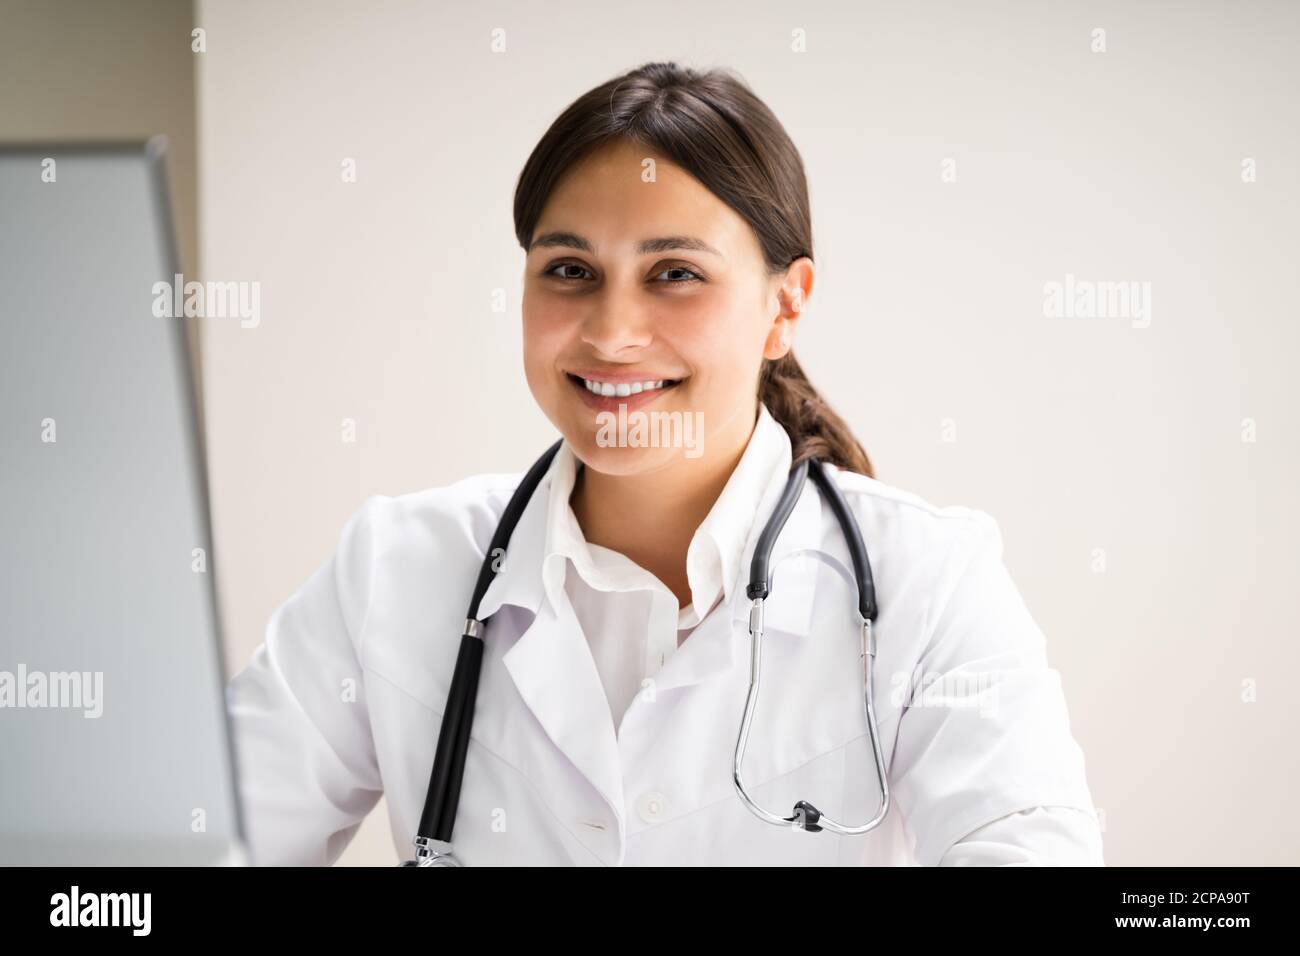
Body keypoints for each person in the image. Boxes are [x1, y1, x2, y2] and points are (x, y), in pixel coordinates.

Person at [225, 61, 1103, 866]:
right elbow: (183, 850)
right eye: (569, 269)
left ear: (785, 305)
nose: (610, 333)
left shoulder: (929, 582)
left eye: (675, 273)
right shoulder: (395, 569)